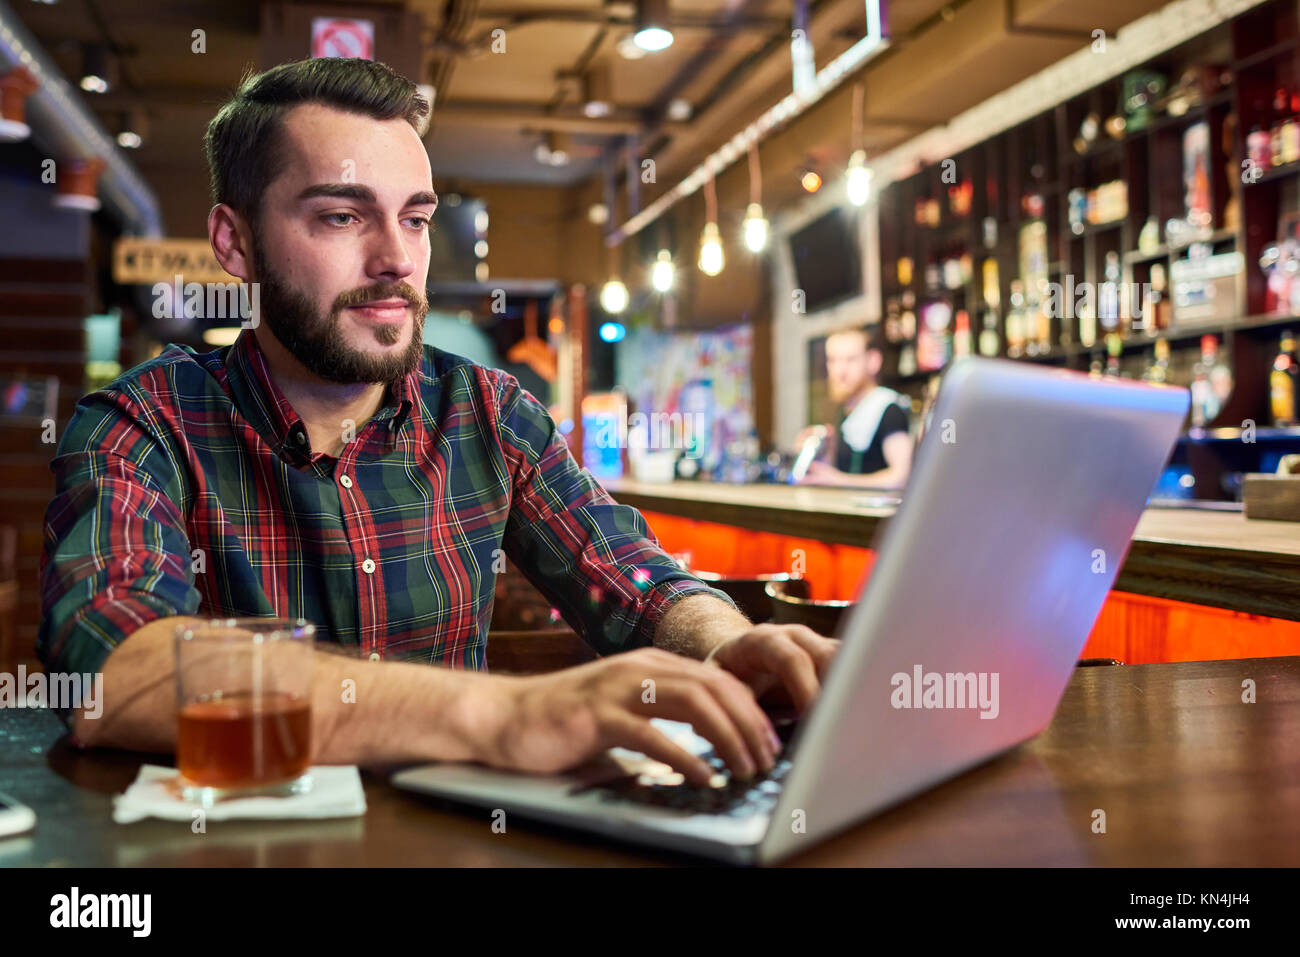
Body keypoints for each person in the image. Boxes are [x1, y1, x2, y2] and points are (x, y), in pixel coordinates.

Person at [37, 57, 839, 789]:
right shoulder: (144, 420)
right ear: (234, 241)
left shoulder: (489, 413)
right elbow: (117, 671)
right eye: (342, 217)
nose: (396, 257)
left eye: (414, 219)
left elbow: (636, 583)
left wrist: (725, 641)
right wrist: (506, 714)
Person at [794, 325, 913, 489]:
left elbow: (902, 477)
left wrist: (838, 480)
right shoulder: (845, 410)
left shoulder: (888, 409)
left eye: (850, 359)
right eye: (832, 360)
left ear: (873, 361)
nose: (840, 370)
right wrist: (820, 453)